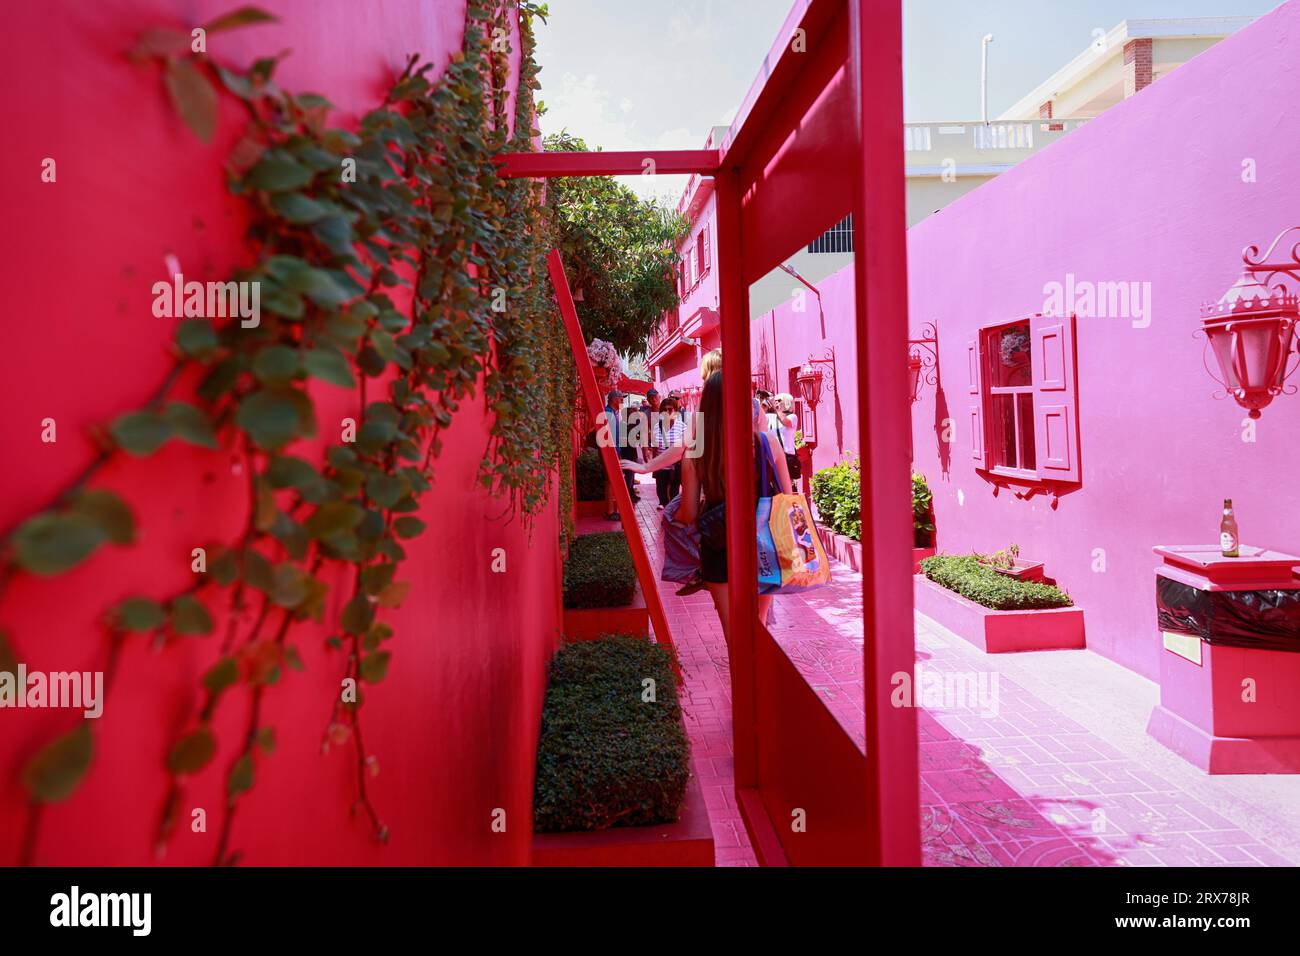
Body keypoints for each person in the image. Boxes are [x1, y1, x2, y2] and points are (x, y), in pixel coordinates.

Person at [677, 372, 792, 639]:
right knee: (758, 626)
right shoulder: (768, 443)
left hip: (719, 548)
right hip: (763, 546)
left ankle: (743, 681)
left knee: (735, 637)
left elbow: (689, 513)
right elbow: (788, 499)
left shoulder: (695, 452)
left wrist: (676, 516)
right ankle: (761, 681)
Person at [603, 389, 637, 519]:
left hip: (614, 451)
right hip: (611, 452)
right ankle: (611, 511)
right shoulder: (608, 414)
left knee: (611, 480)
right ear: (614, 399)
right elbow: (610, 438)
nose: (622, 401)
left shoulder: (614, 413)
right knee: (611, 481)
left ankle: (612, 510)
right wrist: (616, 453)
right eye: (621, 399)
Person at [651, 396, 685, 509]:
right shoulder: (657, 427)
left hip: (676, 466)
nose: (667, 412)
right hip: (661, 466)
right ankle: (666, 514)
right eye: (664, 410)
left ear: (675, 411)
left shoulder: (682, 427)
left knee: (674, 493)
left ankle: (670, 515)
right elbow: (655, 448)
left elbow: (687, 447)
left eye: (670, 409)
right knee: (661, 493)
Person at [767, 392, 801, 484]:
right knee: (773, 484)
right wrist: (762, 402)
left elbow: (785, 422)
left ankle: (785, 499)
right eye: (775, 401)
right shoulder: (771, 417)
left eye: (779, 400)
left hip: (786, 455)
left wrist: (775, 409)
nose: (776, 402)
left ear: (786, 402)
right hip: (772, 456)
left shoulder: (792, 417)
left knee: (785, 484)